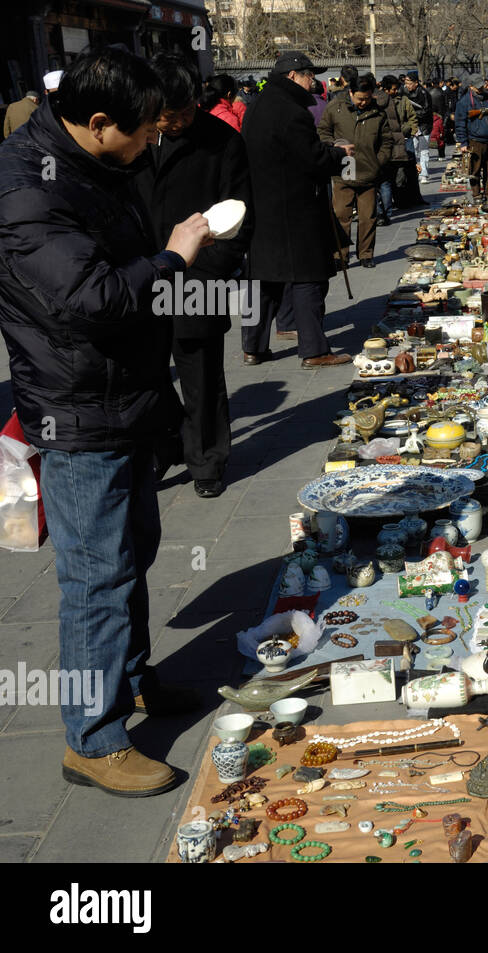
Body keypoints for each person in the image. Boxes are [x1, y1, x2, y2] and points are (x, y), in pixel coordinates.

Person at [0, 46, 212, 797]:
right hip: (78, 406)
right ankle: (92, 738)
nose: (154, 143)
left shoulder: (90, 162)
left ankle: (130, 677)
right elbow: (90, 299)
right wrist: (174, 260)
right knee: (96, 574)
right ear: (96, 122)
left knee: (134, 550)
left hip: (126, 394)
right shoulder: (25, 187)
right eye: (146, 132)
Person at [135, 54, 252, 500]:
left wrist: (210, 268)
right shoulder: (138, 139)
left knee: (200, 374)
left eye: (185, 110)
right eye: (168, 114)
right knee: (147, 374)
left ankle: (206, 460)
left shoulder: (222, 141)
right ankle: (162, 449)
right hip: (141, 275)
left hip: (199, 278)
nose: (177, 121)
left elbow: (240, 214)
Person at [242, 50, 354, 367]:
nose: (313, 81)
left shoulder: (256, 106)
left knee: (264, 280)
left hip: (262, 205)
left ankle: (253, 347)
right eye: (308, 74)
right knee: (308, 277)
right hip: (295, 208)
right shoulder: (291, 111)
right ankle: (315, 350)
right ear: (292, 76)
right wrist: (338, 154)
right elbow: (311, 160)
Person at [319, 73, 391, 269]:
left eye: (367, 98)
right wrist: (334, 148)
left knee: (368, 217)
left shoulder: (378, 113)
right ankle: (339, 256)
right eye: (360, 98)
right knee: (341, 216)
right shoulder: (336, 108)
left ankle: (366, 254)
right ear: (350, 93)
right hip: (344, 169)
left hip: (369, 171)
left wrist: (379, 161)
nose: (363, 102)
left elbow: (387, 141)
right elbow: (323, 131)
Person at [375, 75, 416, 227]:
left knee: (381, 182)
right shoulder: (390, 102)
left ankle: (380, 213)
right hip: (392, 144)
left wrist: (407, 130)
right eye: (393, 89)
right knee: (386, 182)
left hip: (382, 145)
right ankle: (386, 213)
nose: (396, 91)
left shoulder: (376, 102)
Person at [455, 79, 488, 203]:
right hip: (474, 140)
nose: (481, 89)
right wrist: (463, 142)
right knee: (474, 170)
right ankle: (476, 195)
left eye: (483, 86)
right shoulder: (464, 102)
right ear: (471, 86)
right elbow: (460, 124)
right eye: (478, 87)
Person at [403, 73, 435, 178]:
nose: (407, 85)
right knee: (413, 148)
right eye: (406, 83)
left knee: (424, 150)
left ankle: (424, 174)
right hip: (411, 124)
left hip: (424, 124)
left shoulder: (424, 93)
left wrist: (413, 114)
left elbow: (426, 110)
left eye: (409, 83)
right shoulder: (404, 91)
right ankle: (415, 172)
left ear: (416, 83)